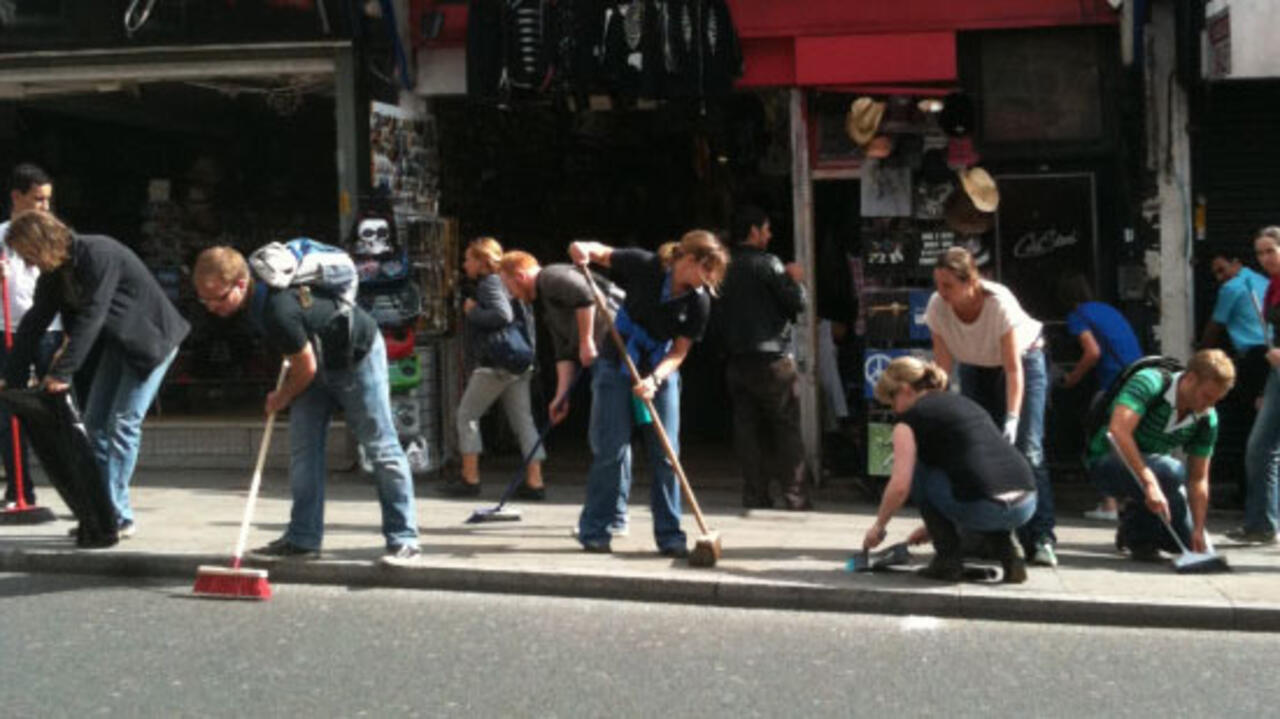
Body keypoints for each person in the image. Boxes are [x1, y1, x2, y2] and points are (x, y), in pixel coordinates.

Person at [192, 245, 420, 563]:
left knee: (380, 446)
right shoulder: (255, 304)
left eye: (216, 298)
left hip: (356, 356)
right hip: (317, 357)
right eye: (204, 300)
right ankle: (303, 538)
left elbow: (305, 368)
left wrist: (280, 397)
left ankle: (403, 538)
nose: (211, 307)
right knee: (304, 450)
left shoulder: (275, 309)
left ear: (241, 284)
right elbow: (302, 353)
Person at [2, 211, 189, 538]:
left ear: (42, 243)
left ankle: (117, 514)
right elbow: (34, 321)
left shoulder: (98, 253)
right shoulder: (55, 274)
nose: (29, 263)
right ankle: (100, 511)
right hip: (118, 343)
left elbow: (93, 315)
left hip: (151, 341)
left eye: (29, 253)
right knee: (94, 424)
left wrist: (63, 372)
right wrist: (10, 376)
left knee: (122, 423)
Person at [569, 231, 729, 556]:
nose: (708, 281)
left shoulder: (699, 300)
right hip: (616, 362)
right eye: (706, 271)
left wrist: (654, 380)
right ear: (688, 260)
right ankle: (595, 530)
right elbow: (600, 251)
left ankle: (670, 536)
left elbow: (680, 352)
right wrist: (582, 248)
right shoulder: (647, 265)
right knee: (611, 450)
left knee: (667, 456)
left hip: (659, 371)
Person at [924, 246, 1056, 566]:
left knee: (1027, 448)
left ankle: (1039, 537)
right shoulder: (937, 306)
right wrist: (938, 409)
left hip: (1023, 363)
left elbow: (1013, 369)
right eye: (938, 284)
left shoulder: (998, 302)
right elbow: (942, 366)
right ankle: (985, 533)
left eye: (948, 286)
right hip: (974, 366)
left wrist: (1011, 418)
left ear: (971, 282)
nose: (941, 293)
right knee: (974, 448)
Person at [863, 356, 1035, 582]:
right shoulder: (964, 403)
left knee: (918, 470)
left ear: (905, 389)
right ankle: (1011, 557)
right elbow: (973, 472)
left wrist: (879, 527)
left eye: (891, 400)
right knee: (983, 487)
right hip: (1026, 502)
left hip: (985, 506)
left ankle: (948, 560)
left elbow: (900, 486)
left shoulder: (908, 421)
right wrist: (931, 526)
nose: (893, 409)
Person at [498, 250, 632, 530]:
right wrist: (562, 395)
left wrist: (586, 341)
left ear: (520, 276)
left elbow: (585, 295)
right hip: (604, 359)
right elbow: (563, 352)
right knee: (607, 437)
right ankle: (615, 514)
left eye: (507, 285)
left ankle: (612, 517)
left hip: (613, 353)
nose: (510, 294)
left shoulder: (551, 276)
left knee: (605, 437)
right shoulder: (546, 303)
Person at [1085, 349, 1234, 562]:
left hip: (1157, 471)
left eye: (1215, 400)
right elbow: (1119, 432)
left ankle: (1134, 529)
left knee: (1184, 543)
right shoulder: (1148, 382)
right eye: (1206, 396)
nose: (1208, 406)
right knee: (1171, 471)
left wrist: (1199, 529)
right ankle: (1138, 534)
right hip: (1107, 461)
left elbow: (1199, 478)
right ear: (1190, 378)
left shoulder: (1207, 417)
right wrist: (1149, 482)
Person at [719, 205, 810, 510]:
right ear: (754, 231)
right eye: (766, 229)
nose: (769, 235)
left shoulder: (724, 266)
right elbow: (796, 304)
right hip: (771, 359)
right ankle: (794, 495)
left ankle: (754, 494)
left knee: (746, 428)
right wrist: (796, 279)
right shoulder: (768, 263)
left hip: (736, 359)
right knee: (785, 427)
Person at [445, 237, 544, 498]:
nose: (465, 264)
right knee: (524, 422)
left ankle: (470, 478)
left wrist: (471, 312)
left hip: (496, 363)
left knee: (466, 415)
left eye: (468, 259)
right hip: (518, 362)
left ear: (481, 261)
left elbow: (502, 315)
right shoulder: (509, 283)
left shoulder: (490, 283)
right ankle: (535, 481)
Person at [0, 163, 64, 509]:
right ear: (17, 196)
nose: (44, 207)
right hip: (6, 330)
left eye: (48, 200)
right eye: (38, 199)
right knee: (9, 410)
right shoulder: (0, 237)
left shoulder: (53, 236)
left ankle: (74, 488)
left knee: (56, 410)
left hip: (47, 332)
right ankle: (19, 489)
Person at [1056, 273, 1142, 521]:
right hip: (1136, 379)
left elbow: (1092, 352)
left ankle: (1109, 504)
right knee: (1127, 441)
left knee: (1098, 441)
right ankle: (1130, 499)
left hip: (1114, 383)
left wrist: (1072, 378)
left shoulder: (1078, 316)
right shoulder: (1106, 309)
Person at [1230, 227, 1280, 545]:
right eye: (1260, 253)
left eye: (1270, 251)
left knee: (1262, 448)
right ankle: (1262, 523)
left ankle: (1262, 523)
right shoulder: (1272, 286)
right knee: (1263, 449)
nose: (1264, 259)